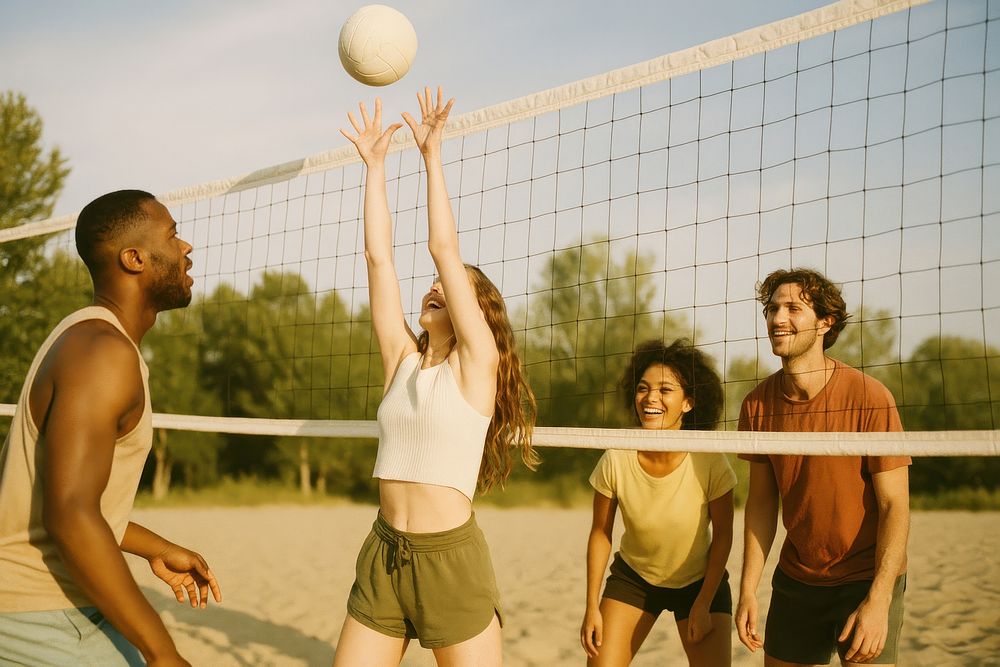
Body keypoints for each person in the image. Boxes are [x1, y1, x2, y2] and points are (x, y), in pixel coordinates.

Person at [332, 88, 536, 666]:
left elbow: (443, 246)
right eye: (436, 282)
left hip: (449, 560)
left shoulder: (478, 363)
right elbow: (379, 261)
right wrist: (374, 168)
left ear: (478, 310)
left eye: (452, 285)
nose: (436, 285)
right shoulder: (401, 358)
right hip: (384, 551)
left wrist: (430, 156)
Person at [0, 190, 221, 666]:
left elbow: (63, 495)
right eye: (173, 234)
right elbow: (71, 514)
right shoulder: (102, 354)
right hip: (39, 612)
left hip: (53, 605)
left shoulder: (88, 338)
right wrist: (164, 653)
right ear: (134, 258)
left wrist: (155, 548)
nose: (186, 248)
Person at [735, 268, 910, 667]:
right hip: (799, 577)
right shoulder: (757, 404)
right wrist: (749, 589)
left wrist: (879, 600)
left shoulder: (869, 397)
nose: (778, 319)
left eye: (793, 308)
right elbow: (762, 502)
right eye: (772, 308)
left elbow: (894, 506)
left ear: (825, 322)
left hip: (866, 577)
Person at [580, 339, 736, 666]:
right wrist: (592, 605)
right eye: (642, 388)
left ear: (689, 403)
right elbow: (600, 533)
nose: (650, 397)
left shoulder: (710, 459)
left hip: (700, 582)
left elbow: (723, 535)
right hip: (634, 578)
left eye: (665, 390)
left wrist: (704, 602)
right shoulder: (617, 456)